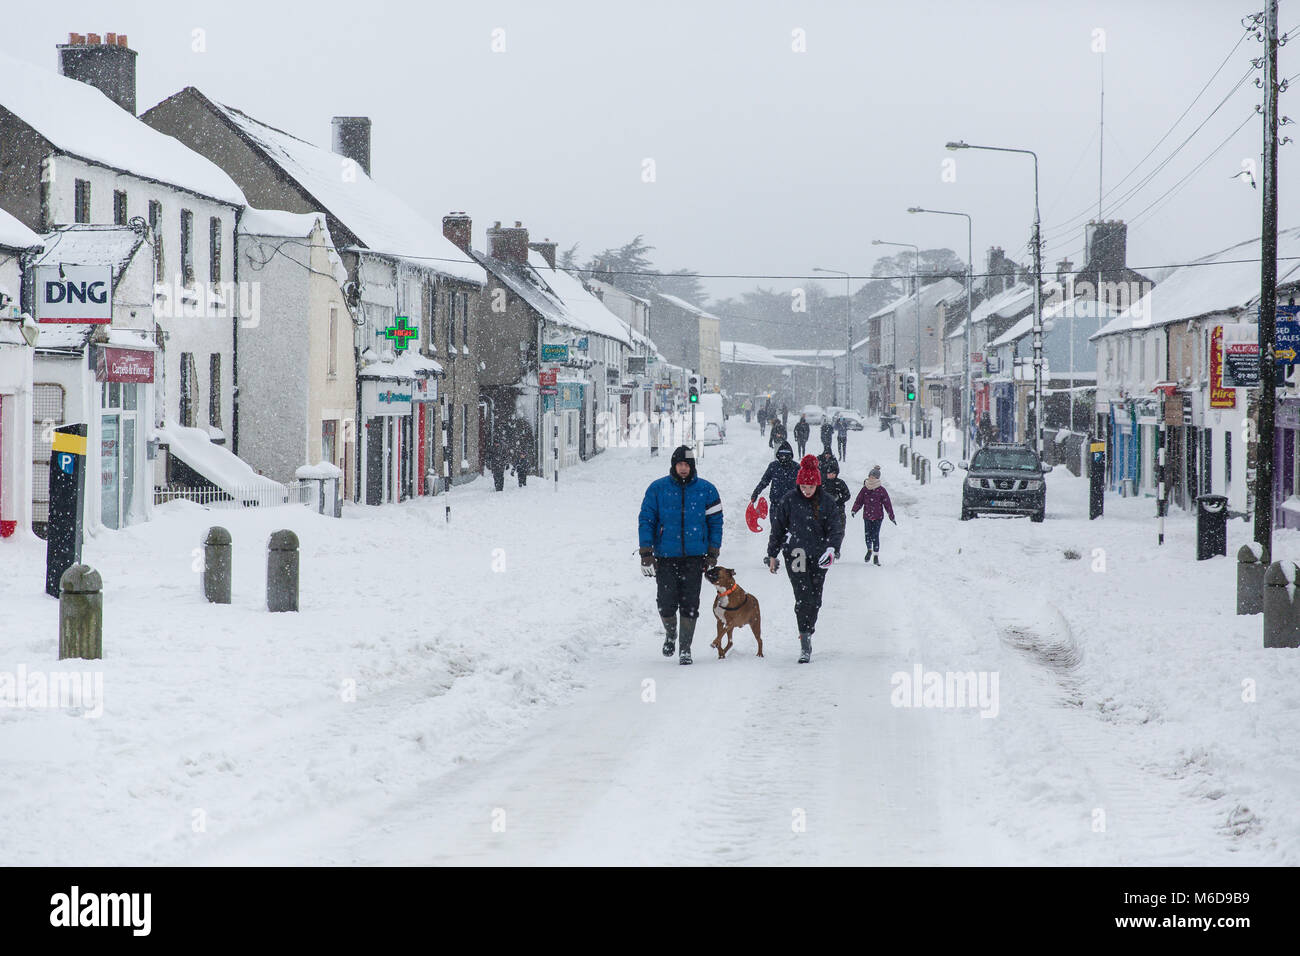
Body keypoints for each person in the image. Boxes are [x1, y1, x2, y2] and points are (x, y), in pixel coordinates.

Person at [638, 445, 724, 665]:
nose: (683, 468)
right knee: (666, 603)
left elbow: (716, 522)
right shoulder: (657, 489)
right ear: (673, 466)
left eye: (687, 465)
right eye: (679, 464)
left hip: (695, 558)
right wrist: (646, 551)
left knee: (690, 604)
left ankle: (685, 648)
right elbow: (646, 519)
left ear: (692, 466)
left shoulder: (707, 490)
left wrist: (713, 551)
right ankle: (671, 633)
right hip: (665, 557)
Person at [766, 455, 845, 664]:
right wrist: (772, 554)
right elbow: (778, 528)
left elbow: (836, 528)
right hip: (796, 554)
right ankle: (805, 641)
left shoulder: (827, 501)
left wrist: (832, 548)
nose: (806, 490)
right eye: (803, 485)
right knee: (803, 597)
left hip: (819, 555)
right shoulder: (789, 500)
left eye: (810, 486)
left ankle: (808, 629)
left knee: (815, 599)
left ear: (816, 484)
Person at [851, 465, 896, 566]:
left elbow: (887, 504)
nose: (871, 478)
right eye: (870, 476)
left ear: (877, 478)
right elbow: (859, 501)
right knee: (867, 535)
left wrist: (891, 516)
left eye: (874, 477)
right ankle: (869, 550)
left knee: (875, 536)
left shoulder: (881, 490)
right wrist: (854, 510)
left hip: (878, 517)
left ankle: (876, 556)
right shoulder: (864, 489)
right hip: (867, 516)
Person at [751, 441, 798, 511]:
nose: (784, 457)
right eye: (782, 455)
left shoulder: (796, 468)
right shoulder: (774, 466)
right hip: (776, 504)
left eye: (786, 455)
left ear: (790, 455)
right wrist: (756, 492)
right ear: (779, 455)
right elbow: (764, 481)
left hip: (791, 506)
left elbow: (804, 486)